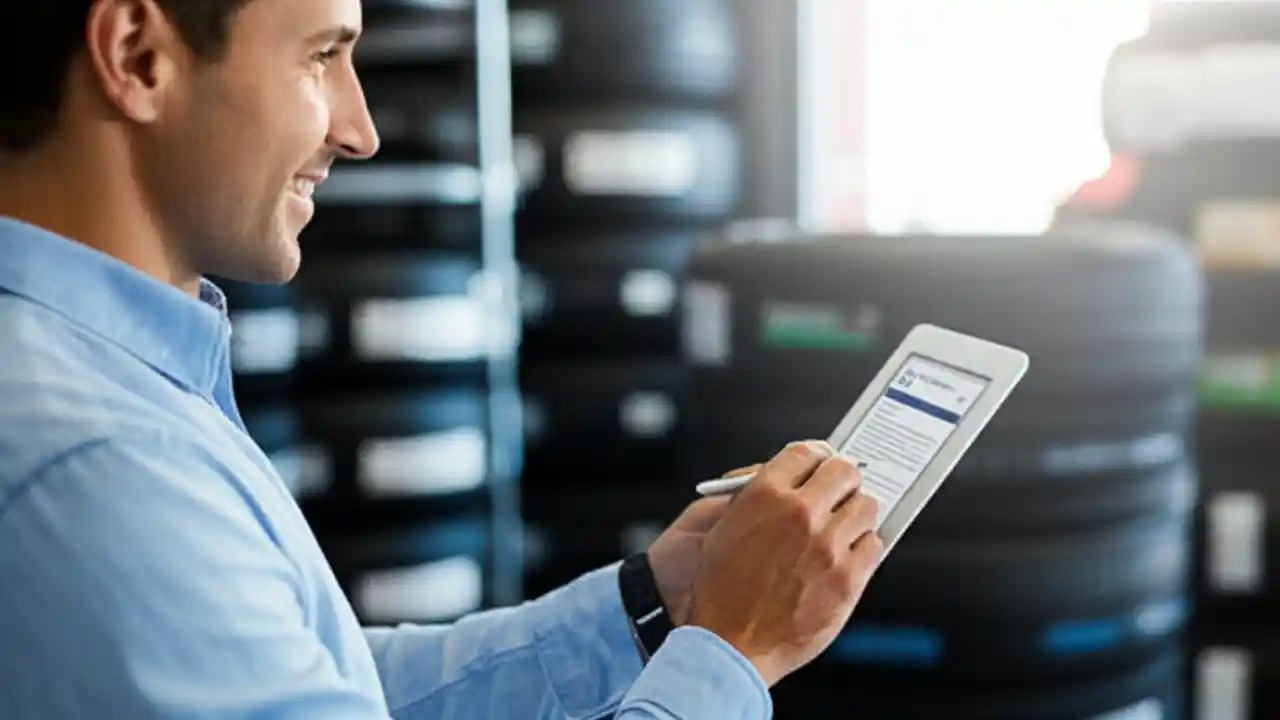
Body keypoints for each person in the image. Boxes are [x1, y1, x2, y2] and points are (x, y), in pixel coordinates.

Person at [0, 1, 884, 718]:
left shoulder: (104, 380)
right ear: (138, 55)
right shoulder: (103, 468)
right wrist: (732, 652)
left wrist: (647, 610)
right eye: (320, 57)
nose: (360, 129)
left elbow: (322, 683)